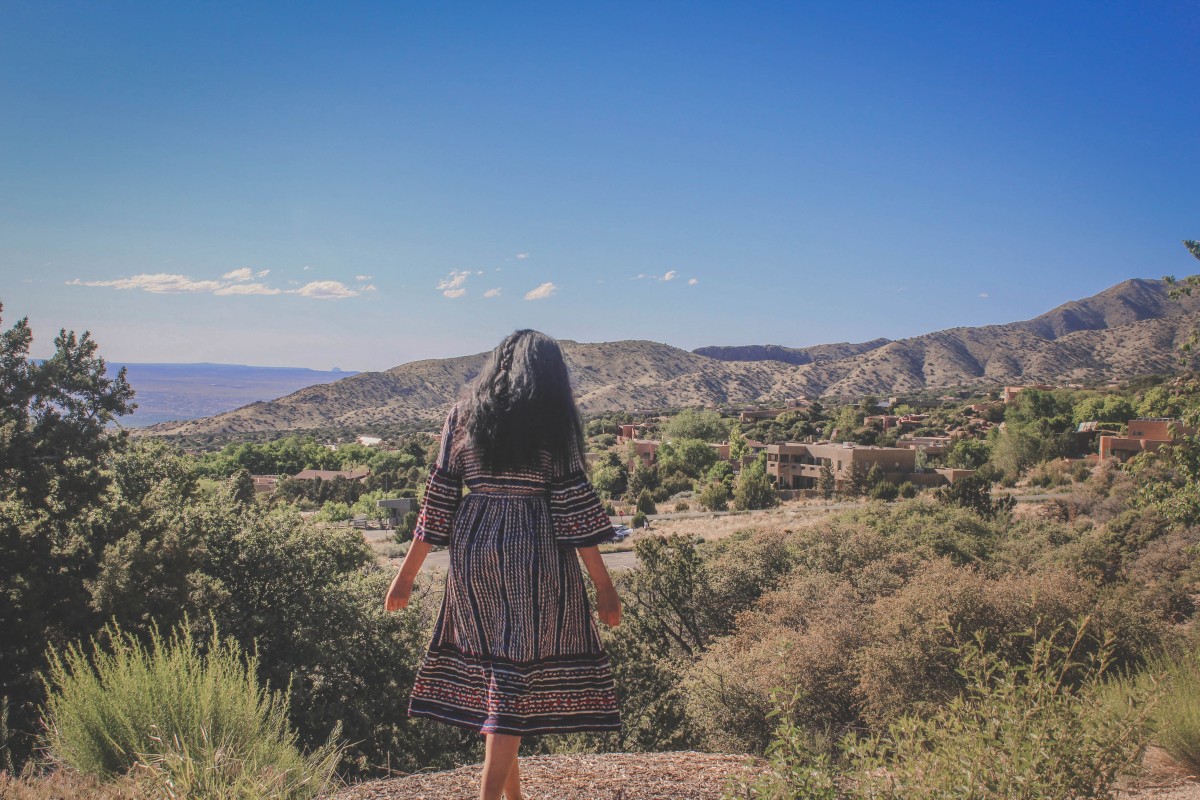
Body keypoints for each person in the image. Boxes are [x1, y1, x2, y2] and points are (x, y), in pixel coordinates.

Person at [385, 330, 621, 800]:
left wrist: (405, 576)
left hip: (474, 549)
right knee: (512, 676)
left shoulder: (463, 414)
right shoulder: (552, 421)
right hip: (534, 549)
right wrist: (604, 587)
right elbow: (574, 506)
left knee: (498, 672)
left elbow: (439, 497)